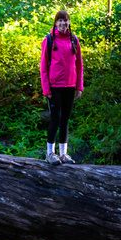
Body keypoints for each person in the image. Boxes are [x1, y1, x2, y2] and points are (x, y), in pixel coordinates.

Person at [40, 10, 84, 165]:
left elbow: (79, 65)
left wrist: (79, 86)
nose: (63, 24)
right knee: (55, 119)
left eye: (65, 21)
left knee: (65, 119)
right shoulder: (49, 40)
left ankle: (63, 154)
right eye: (60, 21)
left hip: (70, 86)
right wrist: (46, 89)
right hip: (54, 87)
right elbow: (43, 67)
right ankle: (50, 154)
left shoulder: (74, 40)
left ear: (69, 22)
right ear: (55, 23)